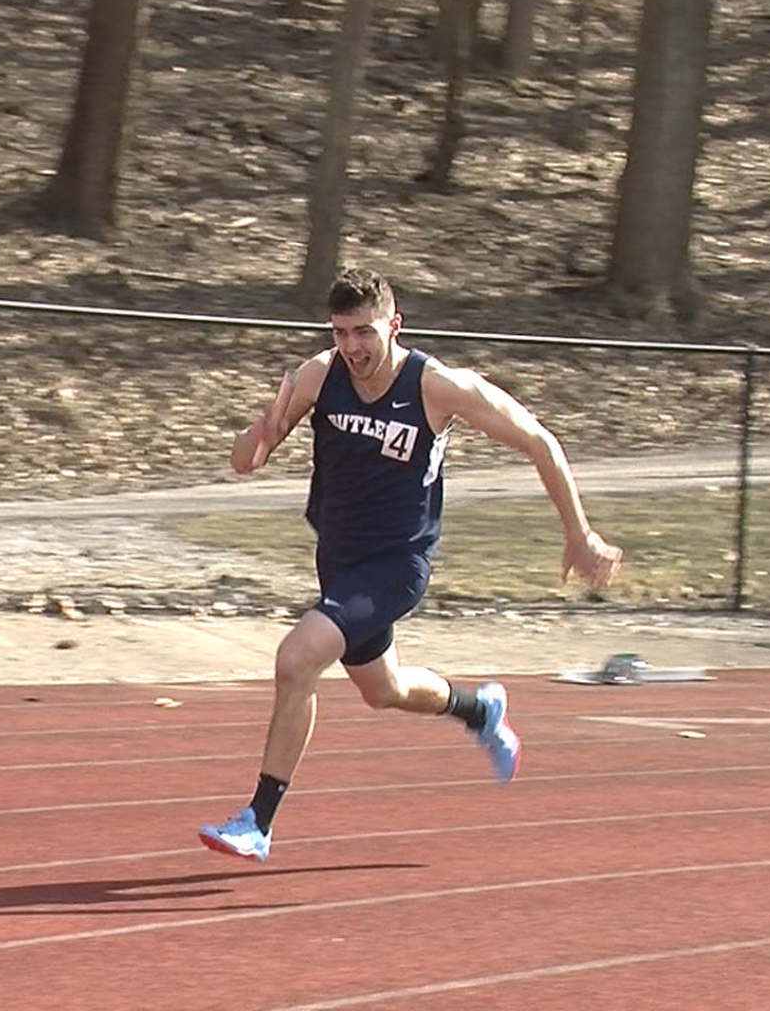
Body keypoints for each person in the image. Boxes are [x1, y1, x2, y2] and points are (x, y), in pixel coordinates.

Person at [199, 268, 622, 862]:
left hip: (397, 564)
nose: (352, 347)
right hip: (338, 559)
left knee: (296, 661)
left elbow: (540, 442)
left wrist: (579, 534)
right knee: (385, 690)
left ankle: (258, 820)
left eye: (364, 332)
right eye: (341, 333)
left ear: (394, 326)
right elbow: (246, 462)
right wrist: (266, 428)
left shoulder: (438, 387)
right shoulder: (319, 376)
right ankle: (479, 709)